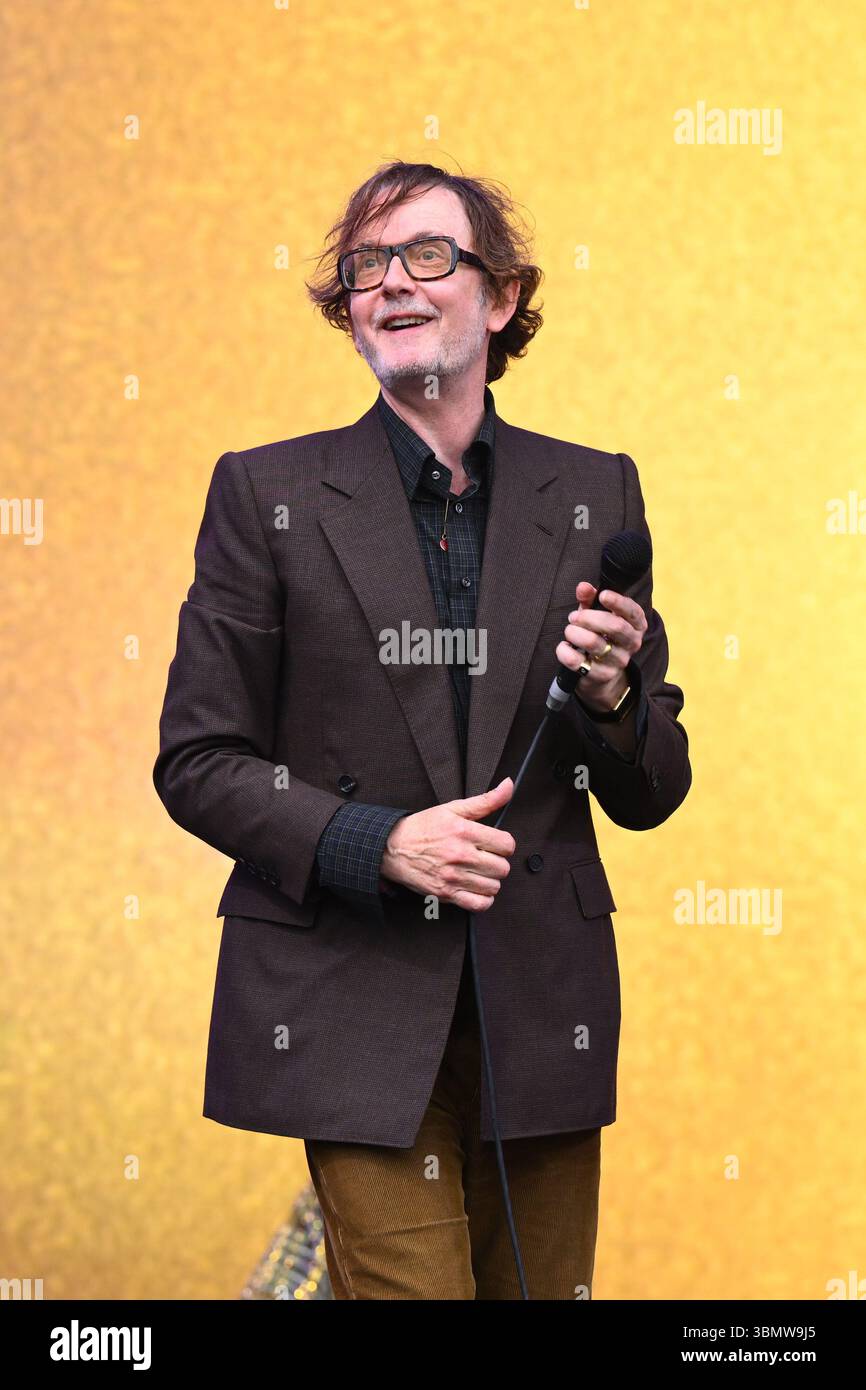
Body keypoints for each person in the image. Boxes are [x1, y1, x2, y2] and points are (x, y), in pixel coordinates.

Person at [153, 159, 692, 1300]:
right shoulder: (264, 493)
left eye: (426, 256)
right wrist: (378, 843)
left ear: (499, 300)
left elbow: (650, 785)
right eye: (364, 266)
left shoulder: (596, 491)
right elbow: (197, 761)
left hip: (541, 1008)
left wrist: (608, 702)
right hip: (345, 1002)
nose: (390, 282)